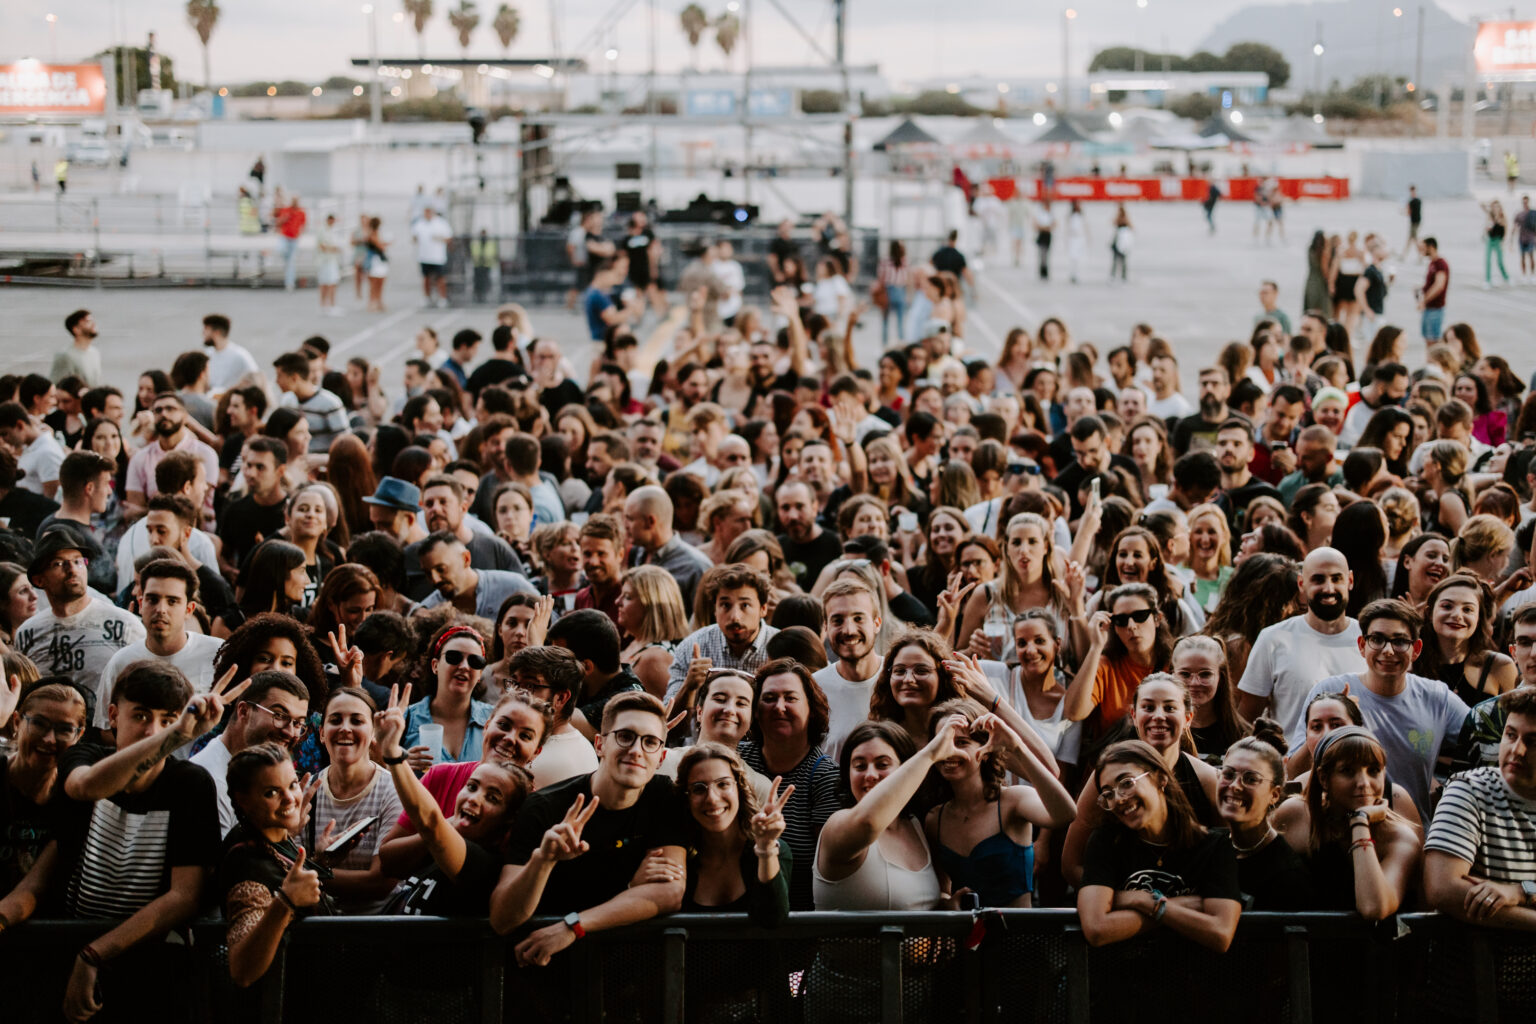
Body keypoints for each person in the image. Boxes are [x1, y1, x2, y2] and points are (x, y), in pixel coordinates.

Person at [53, 662, 232, 1022]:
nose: (153, 729)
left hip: (155, 966)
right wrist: (173, 734)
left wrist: (95, 954)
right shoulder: (84, 756)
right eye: (141, 715)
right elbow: (86, 787)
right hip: (68, 946)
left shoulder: (190, 784)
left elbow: (184, 896)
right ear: (114, 715)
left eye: (168, 719)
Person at [489, 691, 687, 968]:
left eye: (650, 742)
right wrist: (543, 860)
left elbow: (669, 893)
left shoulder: (666, 797)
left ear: (661, 756)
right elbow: (502, 918)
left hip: (623, 968)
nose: (636, 750)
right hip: (545, 967)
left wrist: (573, 927)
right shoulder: (544, 807)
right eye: (625, 736)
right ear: (600, 744)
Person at [1294, 598, 1471, 817]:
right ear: (1361, 645)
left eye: (1399, 641)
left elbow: (1485, 741)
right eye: (1377, 639)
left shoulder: (1437, 698)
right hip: (1339, 832)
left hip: (1412, 833)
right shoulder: (1331, 690)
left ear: (1416, 649)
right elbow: (1293, 773)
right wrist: (1332, 729)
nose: (1388, 650)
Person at [374, 683, 533, 916]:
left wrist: (393, 755)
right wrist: (450, 824)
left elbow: (430, 824)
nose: (473, 799)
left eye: (493, 798)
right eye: (471, 786)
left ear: (509, 820)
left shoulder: (483, 864)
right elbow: (389, 861)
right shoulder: (451, 815)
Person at [1077, 738, 1242, 952]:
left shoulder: (1215, 845)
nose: (1118, 799)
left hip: (1193, 977)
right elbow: (1097, 929)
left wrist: (1144, 902)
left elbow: (1220, 933)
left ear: (1161, 778)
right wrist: (1176, 904)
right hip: (1120, 978)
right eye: (1108, 794)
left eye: (1126, 783)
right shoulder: (1105, 842)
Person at [924, 697, 1075, 907]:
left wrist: (1017, 748)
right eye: (942, 742)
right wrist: (949, 904)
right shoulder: (934, 819)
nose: (951, 751)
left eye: (962, 742)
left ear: (985, 751)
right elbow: (941, 889)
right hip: (964, 937)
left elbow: (1066, 814)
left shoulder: (1014, 800)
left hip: (1018, 936)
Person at [218, 742, 336, 989]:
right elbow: (242, 970)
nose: (290, 799)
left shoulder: (271, 834)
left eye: (292, 785)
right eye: (271, 792)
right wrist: (286, 901)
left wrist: (320, 861)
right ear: (244, 800)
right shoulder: (247, 866)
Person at [1272, 726, 1421, 919]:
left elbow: (1374, 907)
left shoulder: (1399, 837)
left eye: (1373, 771)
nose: (1364, 783)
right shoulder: (1296, 814)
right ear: (1324, 778)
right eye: (1347, 771)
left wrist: (1360, 822)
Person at [1424, 688, 1536, 930]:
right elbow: (1442, 889)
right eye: (1510, 735)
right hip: (1481, 963)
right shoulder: (1469, 789)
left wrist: (1522, 891)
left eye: (1532, 741)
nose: (1517, 750)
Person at [15, 526, 145, 729]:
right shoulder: (27, 632)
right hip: (47, 738)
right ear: (40, 580)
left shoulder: (125, 624)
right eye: (58, 563)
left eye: (78, 561)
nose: (72, 569)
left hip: (104, 739)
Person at [1236, 547, 1365, 748]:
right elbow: (1246, 720)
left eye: (1336, 578)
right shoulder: (1273, 638)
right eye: (1318, 579)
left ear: (1350, 581)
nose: (1329, 588)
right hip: (1291, 772)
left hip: (1356, 768)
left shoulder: (1369, 640)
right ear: (1301, 584)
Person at [0, 679, 89, 930]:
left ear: (79, 735)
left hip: (43, 932)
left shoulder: (72, 796)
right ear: (17, 722)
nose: (50, 739)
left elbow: (35, 886)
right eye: (39, 723)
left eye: (64, 729)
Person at [305, 686, 402, 913]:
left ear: (373, 734)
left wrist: (314, 871)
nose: (345, 728)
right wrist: (318, 864)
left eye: (357, 721)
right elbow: (286, 870)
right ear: (321, 732)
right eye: (335, 720)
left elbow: (380, 883)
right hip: (318, 931)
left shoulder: (392, 790)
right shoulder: (307, 790)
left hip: (380, 930)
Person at [95, 558, 222, 730]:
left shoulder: (217, 654)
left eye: (172, 601)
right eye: (153, 599)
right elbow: (105, 729)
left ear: (189, 610)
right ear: (141, 604)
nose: (161, 609)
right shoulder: (122, 662)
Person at [676, 742, 791, 925]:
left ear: (739, 788)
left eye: (723, 784)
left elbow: (772, 919)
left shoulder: (775, 850)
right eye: (699, 788)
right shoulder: (677, 852)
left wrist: (766, 847)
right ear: (686, 797)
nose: (712, 799)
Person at [191, 670, 311, 836]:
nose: (290, 732)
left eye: (298, 723)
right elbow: (225, 861)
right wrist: (285, 833)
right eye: (279, 715)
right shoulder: (209, 781)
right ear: (243, 711)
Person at [1217, 725, 1315, 909]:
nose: (1235, 786)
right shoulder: (1209, 847)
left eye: (1251, 779)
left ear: (1275, 794)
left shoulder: (1288, 875)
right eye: (1228, 775)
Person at [1065, 582, 1173, 735]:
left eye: (1139, 616)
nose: (1131, 625)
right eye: (1121, 620)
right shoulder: (1107, 665)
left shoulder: (1175, 665)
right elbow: (1073, 712)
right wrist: (1095, 647)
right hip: (1116, 755)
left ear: (1157, 619)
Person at [666, 566, 780, 707]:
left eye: (745, 605)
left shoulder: (782, 646)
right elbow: (667, 718)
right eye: (725, 605)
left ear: (763, 609)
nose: (735, 617)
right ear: (715, 609)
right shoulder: (691, 646)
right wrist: (689, 687)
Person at [400, 625, 496, 768]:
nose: (464, 666)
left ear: (480, 674)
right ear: (435, 666)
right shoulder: (405, 719)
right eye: (454, 657)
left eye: (475, 661)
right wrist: (397, 765)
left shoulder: (495, 720)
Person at [813, 579, 886, 760]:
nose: (849, 630)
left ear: (877, 623)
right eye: (838, 620)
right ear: (826, 627)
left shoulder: (899, 677)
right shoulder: (813, 687)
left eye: (858, 618)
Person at [625, 484, 713, 611]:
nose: (625, 525)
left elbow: (704, 621)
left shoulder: (695, 567)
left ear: (650, 521)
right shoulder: (637, 553)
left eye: (630, 519)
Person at [415, 532, 537, 618]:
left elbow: (551, 624)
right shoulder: (430, 610)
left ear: (466, 559)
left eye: (441, 569)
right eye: (428, 573)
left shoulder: (513, 586)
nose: (435, 580)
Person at [0, 401, 64, 500]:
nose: (3, 440)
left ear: (20, 425)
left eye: (5, 434)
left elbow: (52, 500)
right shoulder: (29, 447)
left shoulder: (47, 452)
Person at [413, 205, 452, 307]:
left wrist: (439, 239)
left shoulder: (441, 223)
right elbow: (414, 237)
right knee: (426, 278)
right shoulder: (419, 223)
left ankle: (442, 298)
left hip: (438, 257)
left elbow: (448, 238)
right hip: (424, 256)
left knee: (440, 278)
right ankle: (427, 297)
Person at [52, 309, 103, 387]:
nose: (94, 324)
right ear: (76, 329)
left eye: (92, 320)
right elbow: (56, 385)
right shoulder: (65, 355)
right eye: (87, 321)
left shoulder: (94, 352)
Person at [1418, 236, 1450, 344]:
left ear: (1431, 247)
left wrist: (1424, 300)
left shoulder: (1440, 264)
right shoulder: (1432, 263)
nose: (1421, 251)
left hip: (1435, 308)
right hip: (1429, 307)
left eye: (1423, 248)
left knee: (1434, 339)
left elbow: (1439, 285)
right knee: (1427, 337)